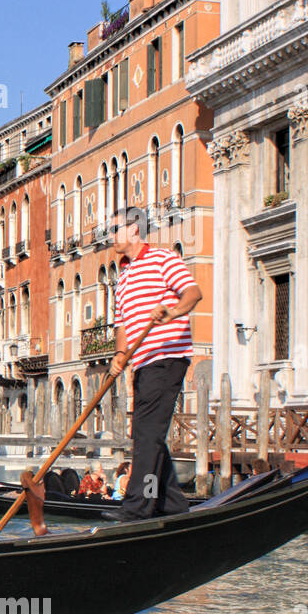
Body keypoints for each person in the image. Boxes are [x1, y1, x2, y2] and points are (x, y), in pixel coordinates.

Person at [105, 206, 202, 521]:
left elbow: (193, 292)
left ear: (134, 230)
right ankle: (172, 504)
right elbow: (122, 325)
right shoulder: (124, 276)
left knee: (145, 435)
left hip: (167, 357)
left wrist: (171, 313)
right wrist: (120, 357)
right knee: (148, 434)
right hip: (142, 364)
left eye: (114, 229)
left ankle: (137, 507)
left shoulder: (163, 259)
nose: (110, 236)